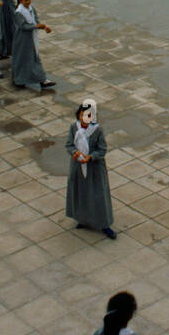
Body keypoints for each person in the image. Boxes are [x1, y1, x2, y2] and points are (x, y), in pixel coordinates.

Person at [67, 102, 115, 239]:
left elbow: (102, 149)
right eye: (82, 115)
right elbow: (69, 145)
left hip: (94, 169)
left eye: (88, 116)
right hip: (78, 167)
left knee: (99, 195)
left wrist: (90, 157)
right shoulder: (73, 128)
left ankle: (104, 224)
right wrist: (75, 153)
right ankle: (83, 219)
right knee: (81, 193)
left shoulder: (97, 131)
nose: (84, 119)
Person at [11, 0, 55, 89]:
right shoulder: (19, 12)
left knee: (35, 58)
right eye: (26, 0)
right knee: (22, 59)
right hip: (23, 40)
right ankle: (20, 80)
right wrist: (36, 26)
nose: (28, 2)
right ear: (21, 1)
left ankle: (42, 79)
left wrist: (44, 27)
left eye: (29, 0)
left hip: (31, 38)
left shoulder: (31, 9)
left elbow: (36, 20)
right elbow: (23, 26)